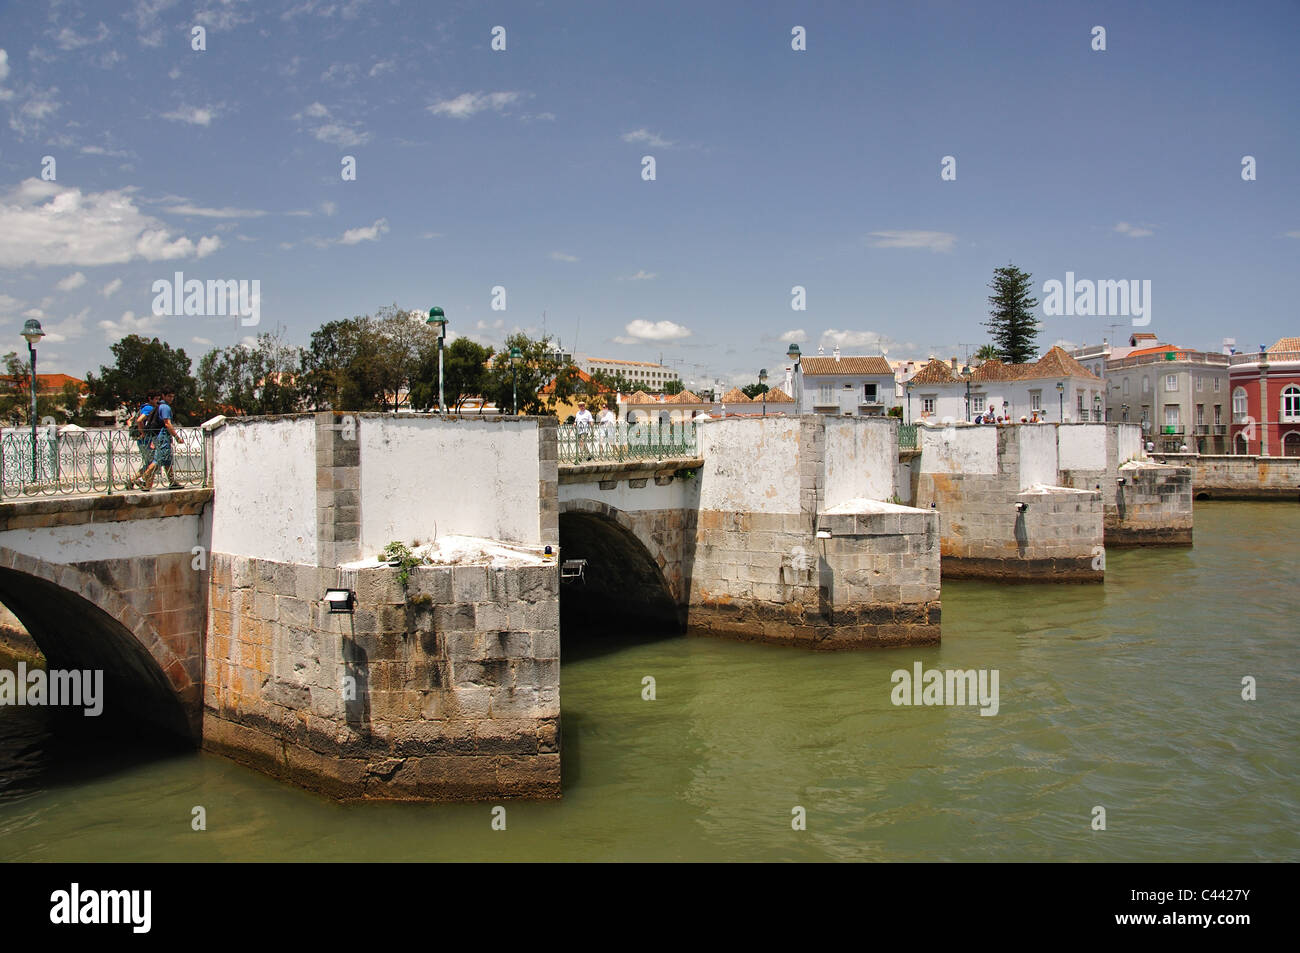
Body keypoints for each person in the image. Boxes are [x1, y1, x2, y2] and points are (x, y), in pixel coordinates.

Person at [137, 389, 185, 490]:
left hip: (160, 436)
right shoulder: (165, 407)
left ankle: (172, 482)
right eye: (169, 396)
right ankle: (142, 478)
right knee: (158, 459)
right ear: (164, 396)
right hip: (163, 436)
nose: (171, 399)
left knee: (167, 460)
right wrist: (177, 437)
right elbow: (167, 423)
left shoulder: (159, 406)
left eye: (172, 396)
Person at [127, 390, 159, 489]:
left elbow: (130, 421)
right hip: (146, 440)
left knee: (149, 463)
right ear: (150, 399)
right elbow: (139, 420)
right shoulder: (149, 408)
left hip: (141, 440)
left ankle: (133, 481)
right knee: (154, 462)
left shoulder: (142, 408)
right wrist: (143, 433)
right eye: (156, 399)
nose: (157, 401)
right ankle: (141, 481)